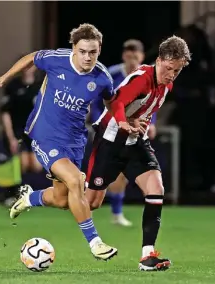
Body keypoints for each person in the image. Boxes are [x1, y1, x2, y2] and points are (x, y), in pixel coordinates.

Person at [12, 35, 191, 271]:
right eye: (169, 69)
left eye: (177, 71)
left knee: (156, 187)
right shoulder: (141, 79)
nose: (172, 75)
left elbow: (144, 109)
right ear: (158, 60)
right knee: (81, 202)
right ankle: (32, 198)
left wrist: (140, 125)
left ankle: (147, 256)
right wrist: (123, 122)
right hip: (110, 141)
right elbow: (117, 102)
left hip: (136, 142)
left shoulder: (166, 83)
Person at [0, 23, 121, 261]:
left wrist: (122, 122)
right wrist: (3, 79)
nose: (87, 57)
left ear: (99, 50)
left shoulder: (102, 78)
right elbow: (30, 58)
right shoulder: (56, 59)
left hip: (75, 140)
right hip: (44, 134)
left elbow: (112, 104)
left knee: (61, 199)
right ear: (74, 49)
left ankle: (29, 198)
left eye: (93, 52)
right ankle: (95, 243)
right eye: (82, 51)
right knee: (75, 180)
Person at [88, 39, 156, 227]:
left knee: (121, 175)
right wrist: (99, 122)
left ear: (142, 56)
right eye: (128, 55)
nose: (132, 59)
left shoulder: (148, 76)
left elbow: (152, 103)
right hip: (109, 128)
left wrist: (151, 123)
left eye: (135, 55)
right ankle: (86, 208)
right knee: (102, 173)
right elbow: (97, 102)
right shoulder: (112, 74)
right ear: (123, 56)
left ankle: (116, 214)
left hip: (132, 130)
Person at [0, 65, 43, 206]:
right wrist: (11, 137)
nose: (27, 69)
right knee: (19, 163)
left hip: (34, 131)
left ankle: (2, 168)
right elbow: (5, 112)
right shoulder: (13, 86)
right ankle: (14, 194)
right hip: (17, 130)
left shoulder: (40, 86)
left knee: (36, 165)